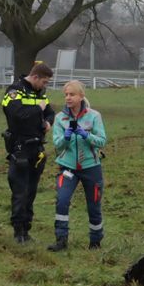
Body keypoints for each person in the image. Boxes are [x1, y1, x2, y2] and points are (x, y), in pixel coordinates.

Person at [48, 80, 106, 251]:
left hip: (91, 168)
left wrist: (86, 135)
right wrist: (65, 138)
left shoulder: (94, 116)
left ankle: (95, 242)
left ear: (81, 96)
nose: (68, 98)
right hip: (68, 168)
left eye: (71, 94)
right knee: (62, 200)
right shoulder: (60, 118)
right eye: (66, 94)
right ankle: (61, 240)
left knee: (93, 205)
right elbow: (57, 145)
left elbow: (102, 140)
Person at [2, 62, 55, 244]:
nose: (45, 86)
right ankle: (18, 232)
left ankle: (27, 229)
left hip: (37, 148)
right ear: (35, 77)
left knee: (31, 191)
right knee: (20, 191)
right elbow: (18, 115)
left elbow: (50, 112)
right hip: (20, 147)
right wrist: (38, 109)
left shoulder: (39, 93)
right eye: (45, 82)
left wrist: (48, 122)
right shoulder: (14, 92)